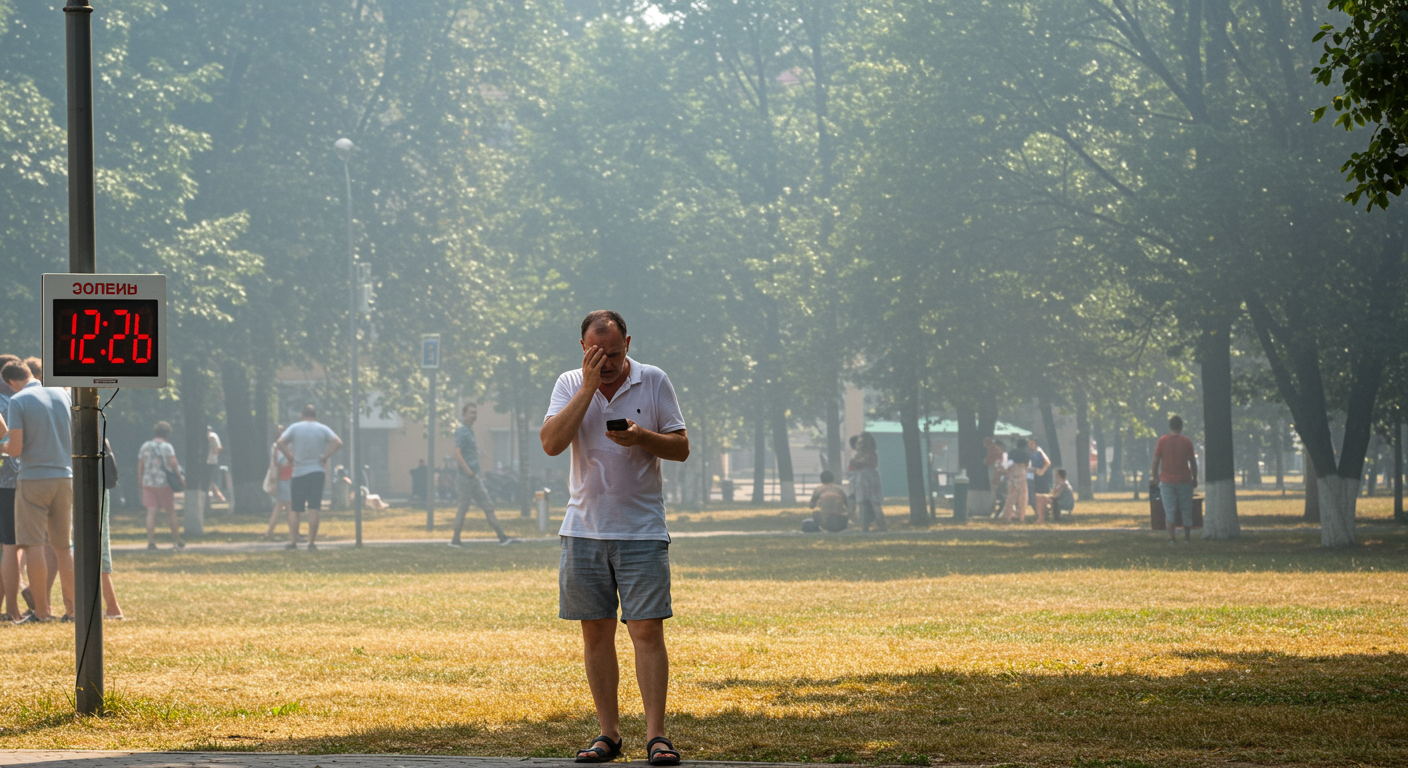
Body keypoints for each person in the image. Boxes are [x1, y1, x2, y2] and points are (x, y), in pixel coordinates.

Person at [540, 310, 688, 767]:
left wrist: (643, 436)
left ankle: (657, 737)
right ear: (583, 349)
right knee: (596, 634)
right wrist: (586, 390)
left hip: (641, 529)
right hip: (584, 529)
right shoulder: (569, 384)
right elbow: (550, 443)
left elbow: (681, 447)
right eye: (595, 354)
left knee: (646, 630)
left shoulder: (654, 380)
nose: (606, 363)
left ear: (629, 343)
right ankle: (609, 734)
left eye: (615, 353)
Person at [0, 359, 75, 623]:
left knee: (33, 545)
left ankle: (42, 612)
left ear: (11, 382)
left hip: (33, 479)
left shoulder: (18, 401)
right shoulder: (63, 394)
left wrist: (2, 445)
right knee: (63, 547)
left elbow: (16, 448)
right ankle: (73, 610)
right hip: (65, 477)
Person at [277, 404, 343, 551]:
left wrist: (290, 456)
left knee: (295, 509)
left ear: (302, 414)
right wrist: (325, 456)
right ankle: (311, 542)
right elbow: (338, 443)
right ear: (315, 415)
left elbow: (280, 442)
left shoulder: (295, 427)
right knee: (314, 508)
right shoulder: (322, 428)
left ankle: (293, 541)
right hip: (317, 471)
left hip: (299, 472)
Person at [450, 401, 510, 547]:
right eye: (471, 413)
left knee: (488, 506)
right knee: (463, 508)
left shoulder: (469, 431)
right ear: (464, 414)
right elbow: (457, 453)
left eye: (475, 413)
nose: (473, 416)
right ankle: (455, 540)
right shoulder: (461, 431)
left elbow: (468, 449)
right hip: (466, 479)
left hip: (474, 478)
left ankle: (502, 537)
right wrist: (469, 471)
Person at [0, 354, 24, 621]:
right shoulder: (14, 400)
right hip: (11, 480)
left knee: (9, 545)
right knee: (12, 545)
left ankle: (11, 608)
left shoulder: (11, 400)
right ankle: (13, 609)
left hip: (7, 480)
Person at [1152, 414, 1198, 543]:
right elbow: (1192, 462)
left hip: (1167, 481)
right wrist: (1194, 478)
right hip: (1184, 480)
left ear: (1170, 426)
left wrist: (1155, 476)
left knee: (1169, 510)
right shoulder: (1187, 442)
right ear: (1181, 427)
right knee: (1186, 509)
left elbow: (1155, 460)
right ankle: (1187, 538)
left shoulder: (1162, 441)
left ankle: (1172, 538)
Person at [137, 421, 183, 550]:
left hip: (148, 483)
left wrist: (140, 481)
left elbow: (140, 464)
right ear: (168, 434)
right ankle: (177, 541)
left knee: (151, 512)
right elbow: (174, 464)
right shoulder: (167, 447)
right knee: (171, 512)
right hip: (164, 484)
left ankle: (151, 542)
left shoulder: (145, 446)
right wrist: (180, 479)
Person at [848, 432, 886, 532]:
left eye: (860, 442)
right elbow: (854, 464)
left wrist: (857, 463)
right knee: (867, 503)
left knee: (869, 502)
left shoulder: (867, 454)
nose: (858, 444)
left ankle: (874, 526)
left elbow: (856, 464)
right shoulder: (866, 454)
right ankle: (871, 526)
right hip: (866, 477)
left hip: (865, 477)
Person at [263, 424, 294, 541]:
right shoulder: (281, 446)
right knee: (288, 506)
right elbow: (285, 460)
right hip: (286, 477)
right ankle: (293, 533)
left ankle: (270, 532)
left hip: (283, 477)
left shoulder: (276, 446)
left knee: (281, 505)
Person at [1001, 437, 1030, 523]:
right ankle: (1021, 516)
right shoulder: (1026, 453)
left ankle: (1008, 515)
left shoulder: (1011, 452)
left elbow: (1007, 464)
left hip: (1012, 474)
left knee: (1011, 496)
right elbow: (1027, 465)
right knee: (1022, 496)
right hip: (1021, 473)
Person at [1027, 438, 1051, 511]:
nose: (1030, 446)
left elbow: (1047, 462)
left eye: (1032, 444)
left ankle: (1044, 510)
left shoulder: (1039, 451)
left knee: (1041, 494)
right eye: (1029, 444)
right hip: (1035, 475)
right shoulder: (1032, 453)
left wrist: (1041, 471)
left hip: (1041, 476)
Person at [206, 426, 226, 504]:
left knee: (210, 479)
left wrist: (215, 450)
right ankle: (218, 496)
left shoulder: (212, 436)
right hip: (208, 461)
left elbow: (219, 447)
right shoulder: (209, 436)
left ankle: (219, 496)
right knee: (210, 480)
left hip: (211, 461)